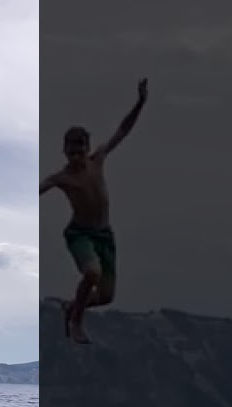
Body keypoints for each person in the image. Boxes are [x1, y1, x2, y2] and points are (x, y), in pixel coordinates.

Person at [40, 78, 148, 344]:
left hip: (104, 235)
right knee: (92, 273)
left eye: (80, 152)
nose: (76, 157)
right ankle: (76, 322)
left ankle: (70, 308)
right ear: (65, 151)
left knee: (106, 296)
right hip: (80, 234)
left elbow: (122, 131)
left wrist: (140, 103)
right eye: (71, 153)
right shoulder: (62, 177)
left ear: (86, 149)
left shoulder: (98, 159)